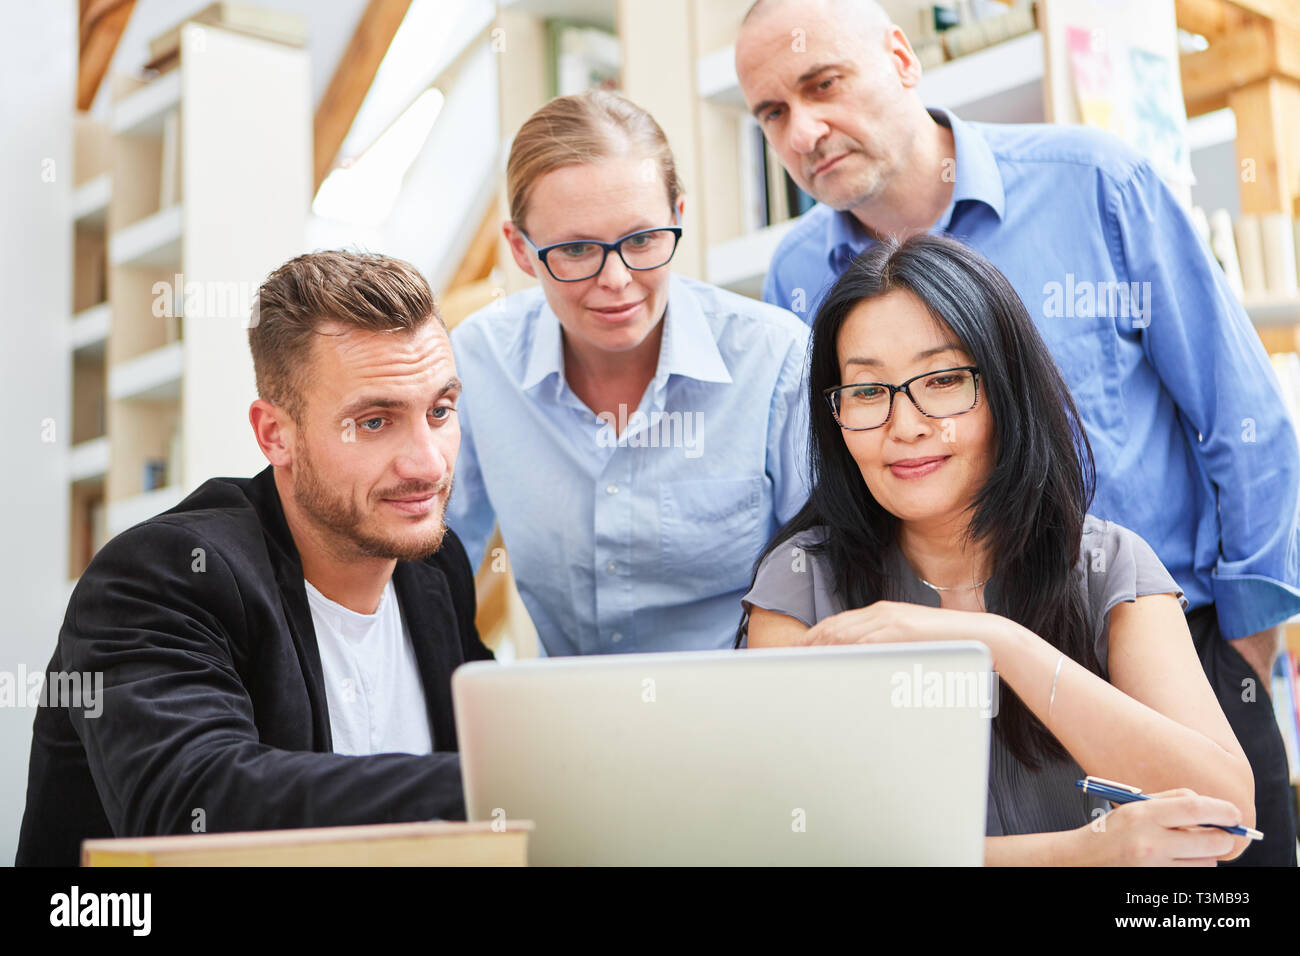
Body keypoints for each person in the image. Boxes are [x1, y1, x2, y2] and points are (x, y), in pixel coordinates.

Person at [735, 0, 1299, 865]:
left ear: (902, 59)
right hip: (909, 628)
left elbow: (1240, 413)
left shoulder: (1096, 183)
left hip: (1163, 640)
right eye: (772, 113)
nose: (804, 130)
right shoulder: (799, 272)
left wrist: (1245, 648)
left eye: (823, 85)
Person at [739, 233, 1256, 865]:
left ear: (1006, 389)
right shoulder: (801, 585)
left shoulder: (1105, 564)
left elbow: (1225, 815)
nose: (906, 426)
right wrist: (1083, 852)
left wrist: (1000, 643)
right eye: (869, 392)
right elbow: (807, 847)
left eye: (945, 379)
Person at [16, 251, 491, 867]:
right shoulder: (159, 576)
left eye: (440, 411)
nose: (428, 464)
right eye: (375, 422)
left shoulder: (433, 566)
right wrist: (497, 783)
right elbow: (196, 803)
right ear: (274, 435)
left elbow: (496, 734)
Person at [446, 90, 810, 656]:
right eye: (575, 250)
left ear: (678, 217)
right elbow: (434, 566)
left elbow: (824, 578)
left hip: (746, 720)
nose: (616, 279)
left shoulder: (774, 357)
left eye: (641, 240)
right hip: (570, 730)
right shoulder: (478, 361)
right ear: (520, 249)